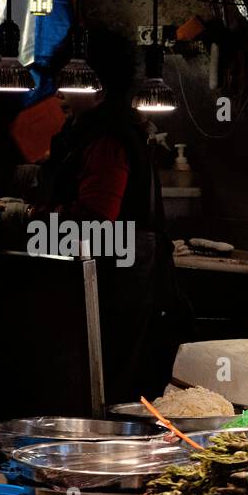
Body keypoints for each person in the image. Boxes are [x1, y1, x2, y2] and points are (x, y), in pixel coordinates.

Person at [30, 28, 190, 405]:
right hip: (104, 279)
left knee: (109, 387)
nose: (59, 94)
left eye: (69, 85)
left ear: (98, 89)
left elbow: (97, 221)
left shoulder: (108, 140)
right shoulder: (86, 133)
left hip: (116, 285)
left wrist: (32, 218)